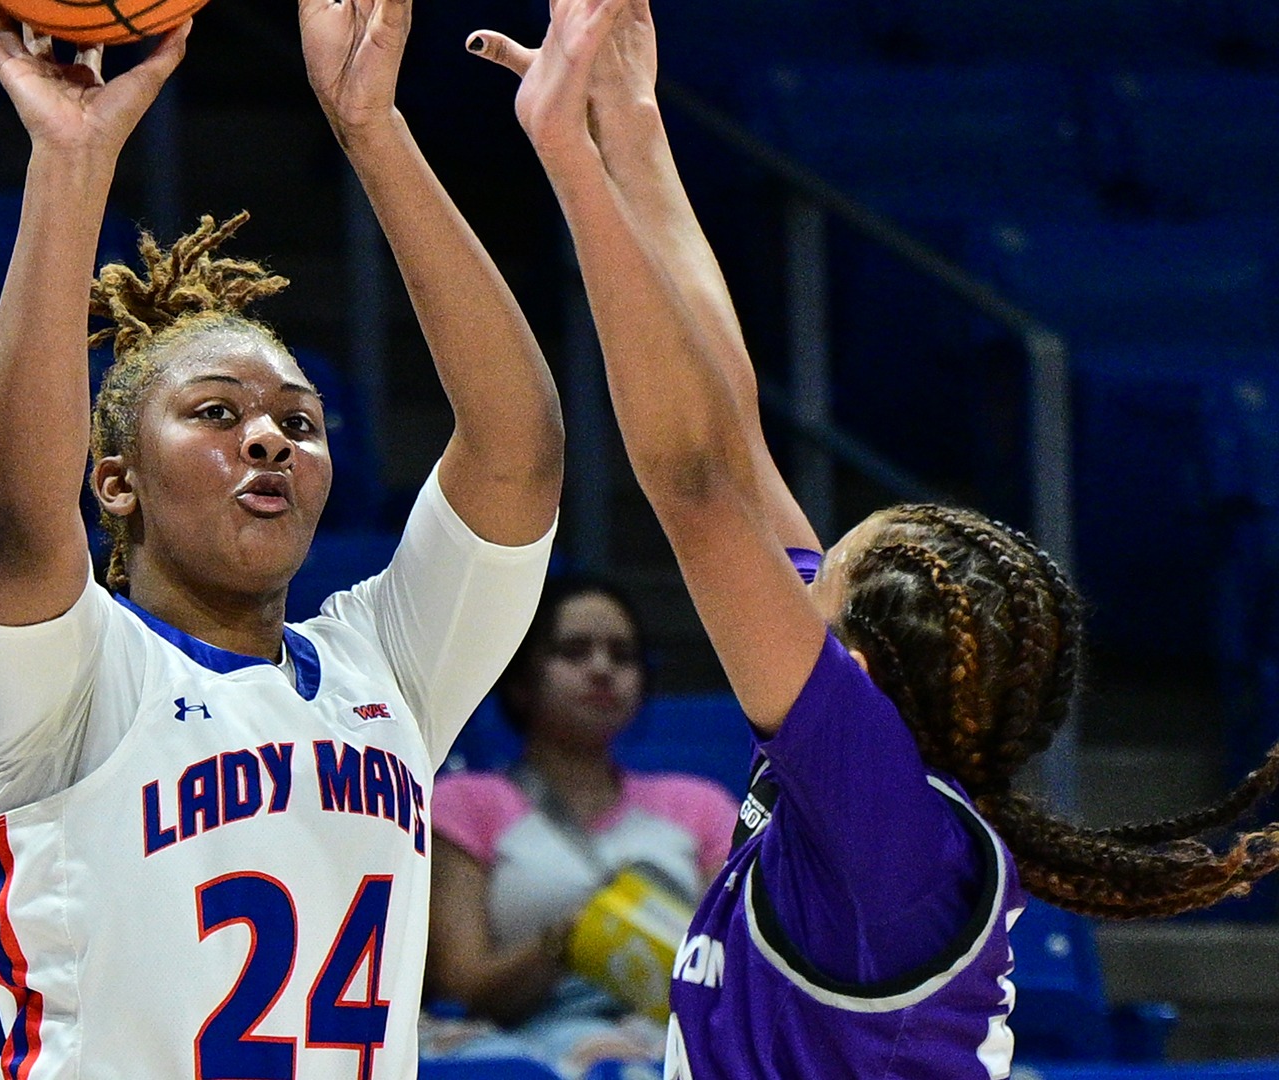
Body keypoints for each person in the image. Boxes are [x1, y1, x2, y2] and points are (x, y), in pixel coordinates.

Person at [467, 0, 1279, 1076]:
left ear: (850, 664)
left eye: (823, 570)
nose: (793, 566)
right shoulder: (882, 787)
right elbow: (728, 424)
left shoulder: (886, 829)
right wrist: (635, 130)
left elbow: (699, 487)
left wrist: (567, 156)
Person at [0, 0, 564, 1072]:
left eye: (299, 421)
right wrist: (71, 161)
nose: (271, 441)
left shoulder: (387, 670)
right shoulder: (82, 675)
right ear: (116, 483)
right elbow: (11, 530)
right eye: (217, 414)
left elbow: (518, 448)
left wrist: (373, 129)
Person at [424, 578, 737, 1077]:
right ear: (522, 679)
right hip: (526, 1046)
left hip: (671, 1042)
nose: (602, 669)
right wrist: (566, 941)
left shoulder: (701, 805)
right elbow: (460, 984)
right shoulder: (466, 803)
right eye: (573, 652)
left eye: (622, 655)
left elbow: (735, 973)